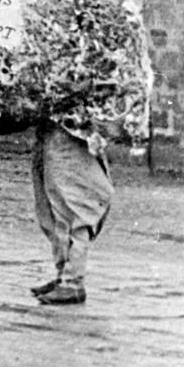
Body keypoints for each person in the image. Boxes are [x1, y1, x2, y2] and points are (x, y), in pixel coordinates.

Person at [29, 119, 114, 305]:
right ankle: (64, 275)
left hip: (73, 134)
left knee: (74, 206)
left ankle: (72, 281)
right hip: (55, 130)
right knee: (52, 207)